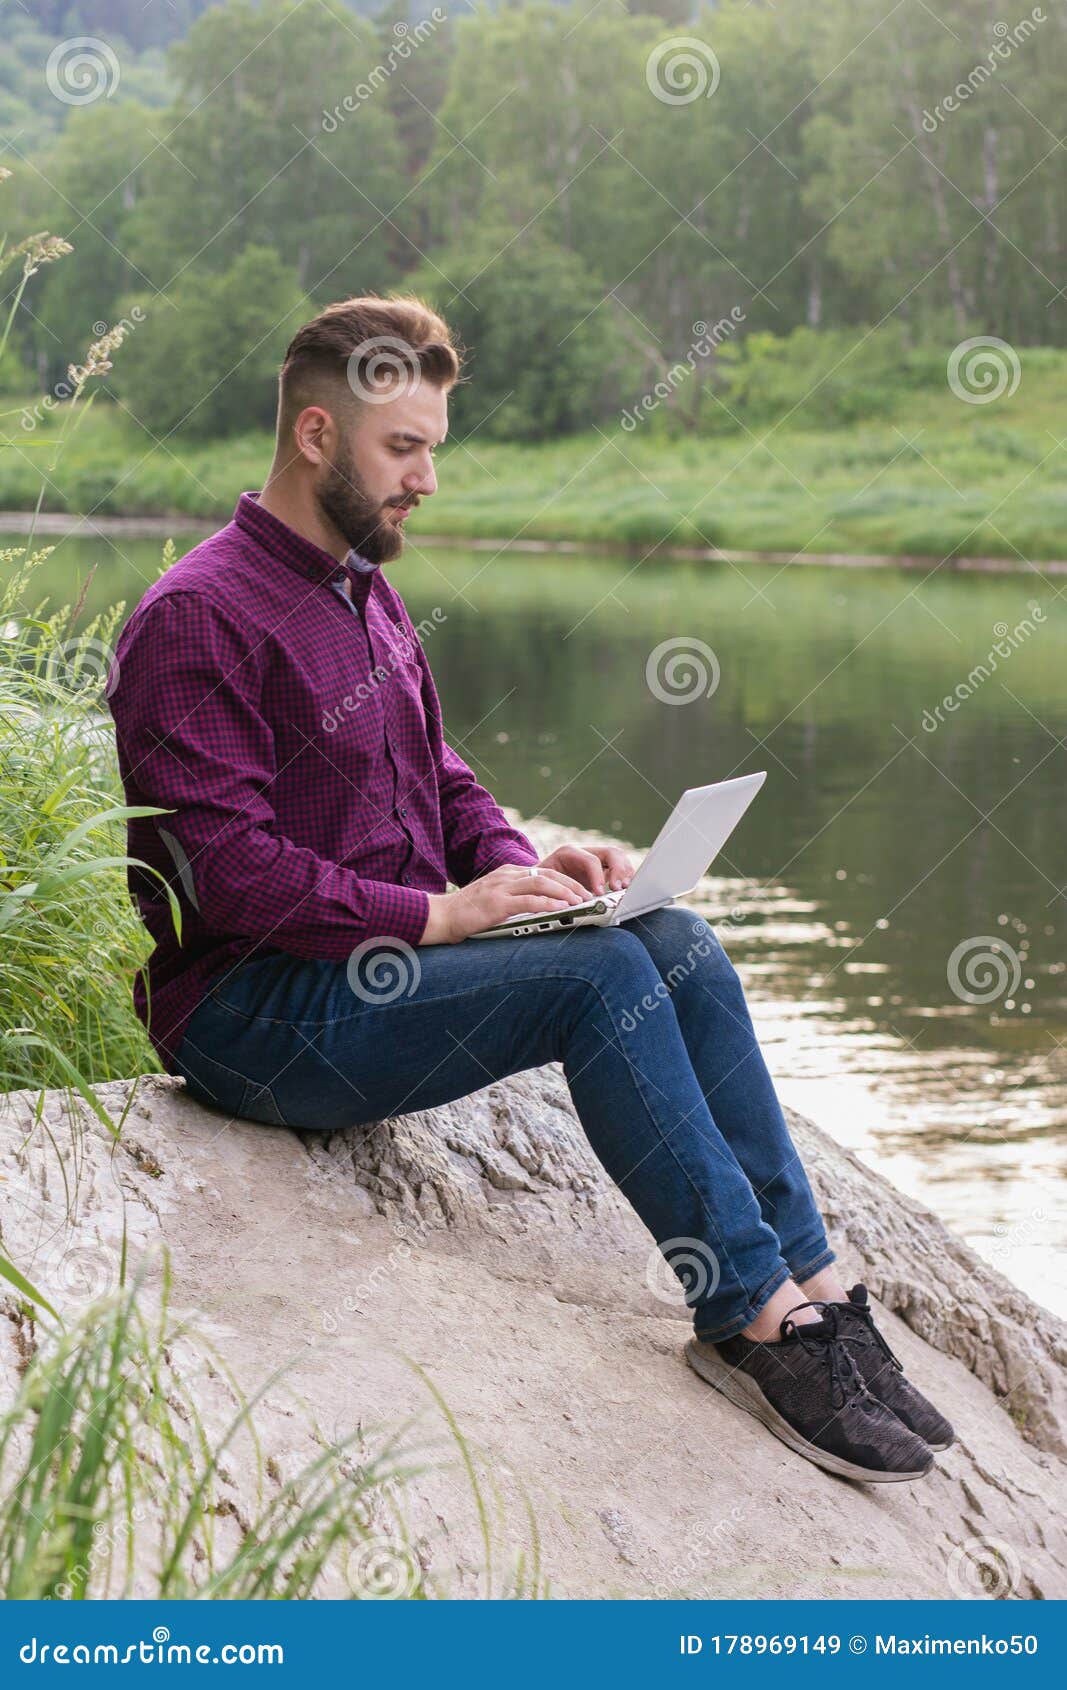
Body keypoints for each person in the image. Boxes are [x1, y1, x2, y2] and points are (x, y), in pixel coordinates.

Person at [108, 294, 953, 1483]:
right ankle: (750, 1323)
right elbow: (227, 873)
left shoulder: (365, 591)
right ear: (312, 436)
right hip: (257, 1018)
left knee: (672, 940)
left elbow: (436, 775)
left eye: (432, 452)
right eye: (402, 449)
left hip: (371, 985)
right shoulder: (198, 615)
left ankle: (822, 1291)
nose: (426, 482)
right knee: (598, 977)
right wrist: (436, 916)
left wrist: (518, 863)